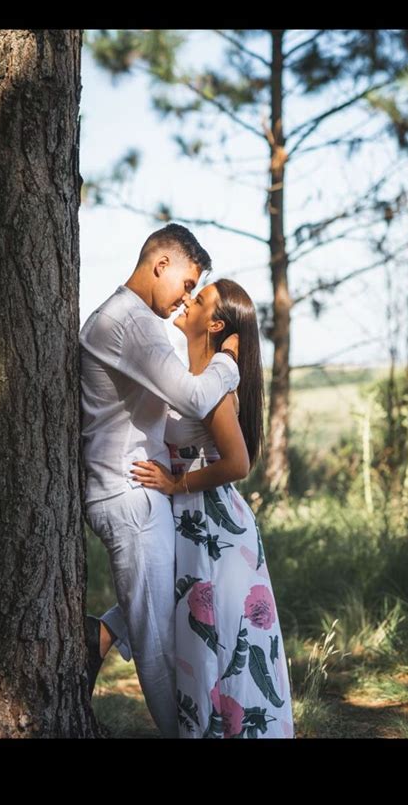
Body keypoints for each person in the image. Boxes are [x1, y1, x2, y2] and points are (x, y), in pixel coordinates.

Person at [79, 224, 239, 738]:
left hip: (139, 492)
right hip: (128, 497)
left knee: (173, 604)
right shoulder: (134, 324)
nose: (186, 298)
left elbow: (170, 422)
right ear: (161, 263)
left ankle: (100, 632)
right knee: (159, 646)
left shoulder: (126, 320)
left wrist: (223, 429)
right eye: (187, 283)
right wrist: (230, 364)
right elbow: (192, 398)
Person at [131, 279, 295, 738]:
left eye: (199, 299)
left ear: (216, 324)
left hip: (214, 527)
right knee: (196, 636)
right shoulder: (197, 380)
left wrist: (175, 482)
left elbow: (239, 463)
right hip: (194, 519)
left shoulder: (215, 389)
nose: (187, 300)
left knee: (221, 644)